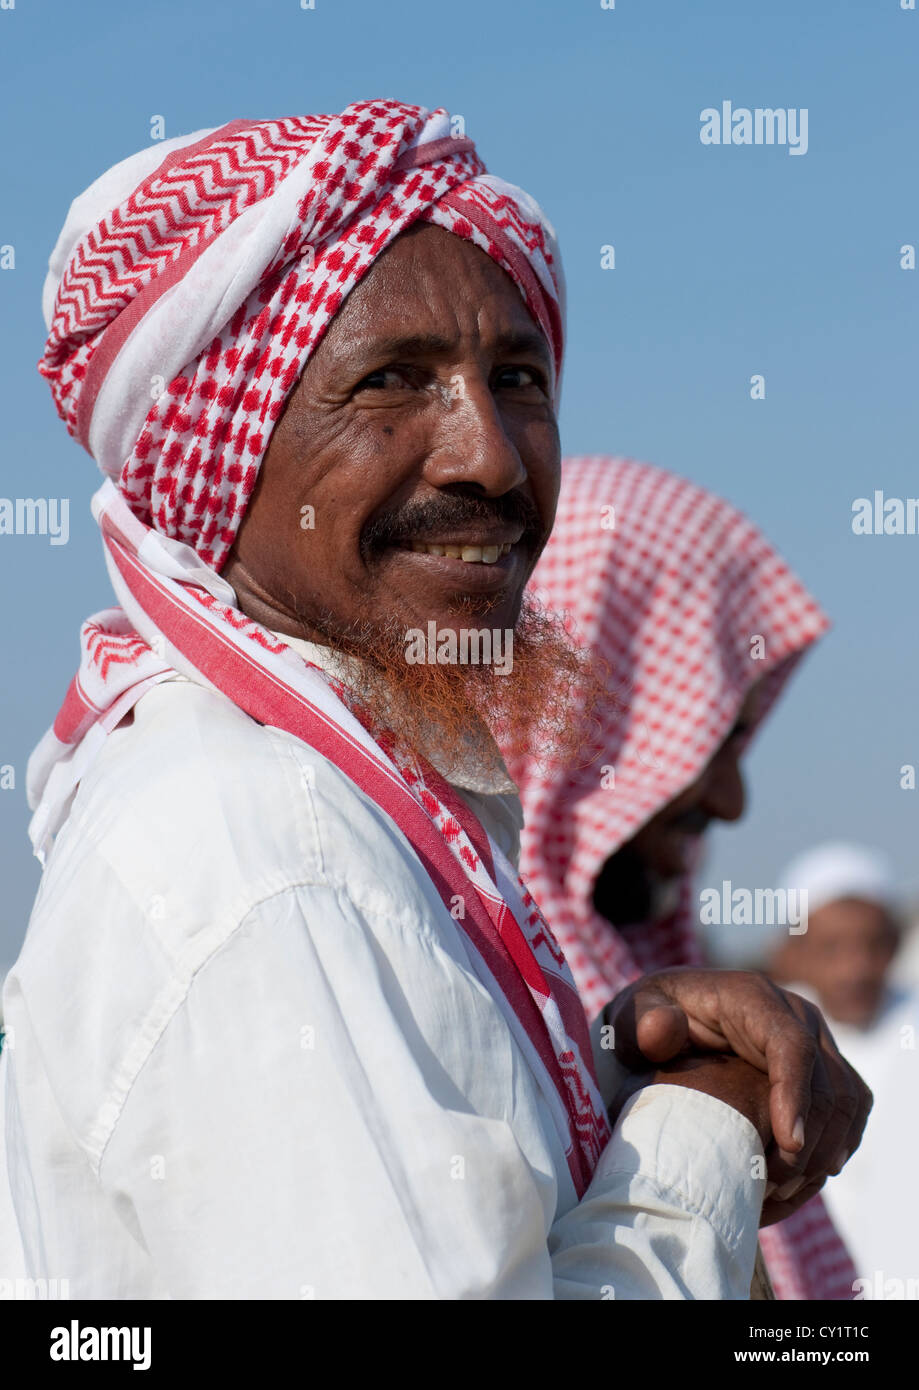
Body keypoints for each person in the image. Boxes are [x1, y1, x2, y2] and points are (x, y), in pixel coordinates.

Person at [2, 105, 867, 1300]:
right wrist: (699, 1123)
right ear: (220, 451)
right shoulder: (263, 851)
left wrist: (608, 1063)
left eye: (516, 377)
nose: (492, 459)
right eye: (388, 382)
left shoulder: (350, 812)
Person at [506, 453, 860, 1299]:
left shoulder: (630, 1003)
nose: (732, 802)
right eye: (714, 738)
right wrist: (710, 1105)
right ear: (599, 724)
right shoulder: (458, 996)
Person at [771, 843, 919, 1294]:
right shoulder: (773, 1037)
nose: (856, 969)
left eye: (872, 945)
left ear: (894, 944)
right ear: (793, 953)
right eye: (831, 948)